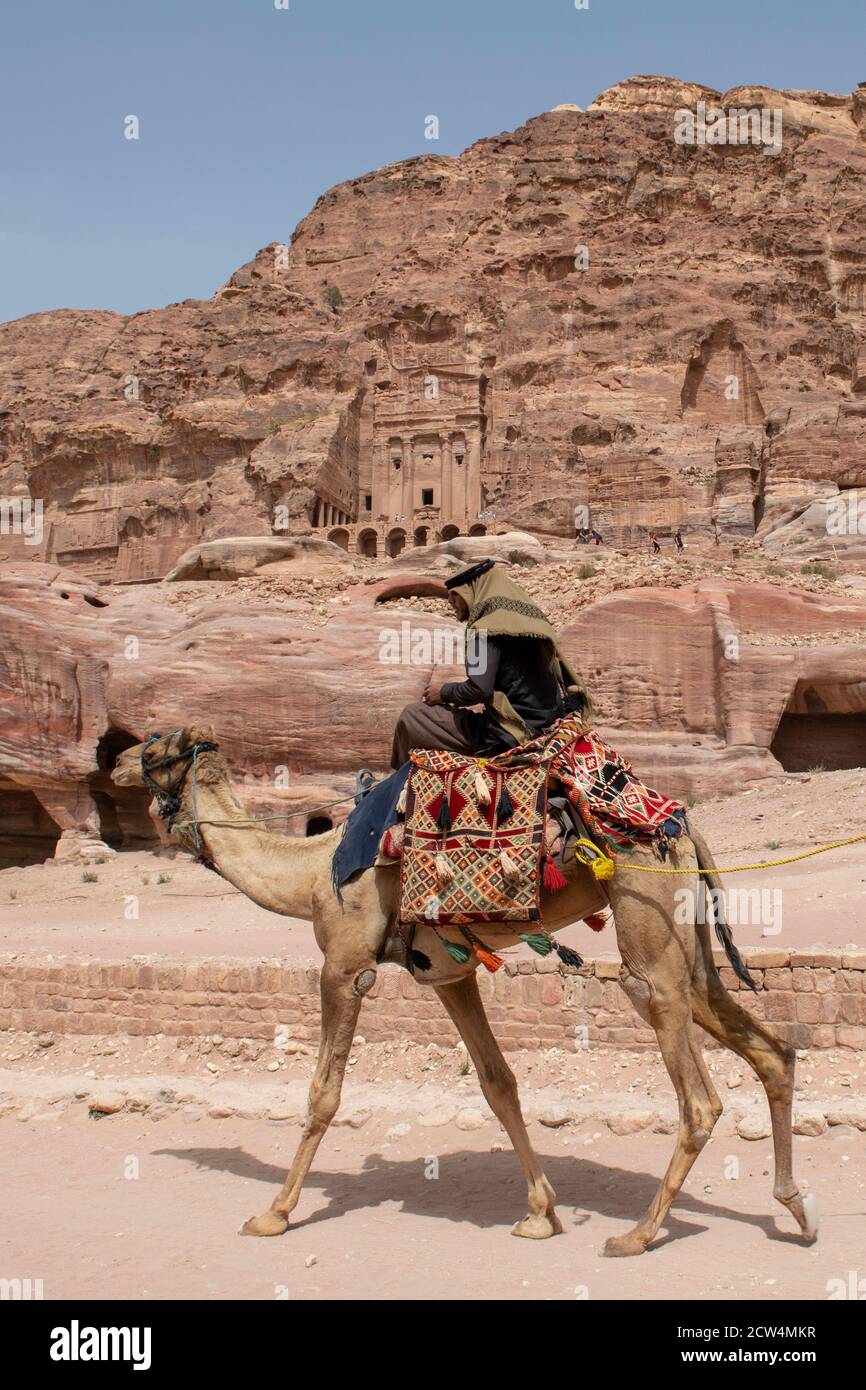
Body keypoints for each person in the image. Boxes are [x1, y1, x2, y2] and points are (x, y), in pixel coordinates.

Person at [390, 559, 591, 769]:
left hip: (510, 733)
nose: (449, 600)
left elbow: (478, 689)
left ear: (473, 590)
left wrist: (443, 692)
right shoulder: (527, 623)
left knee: (412, 716)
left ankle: (399, 787)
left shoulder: (482, 630)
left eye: (455, 593)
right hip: (548, 724)